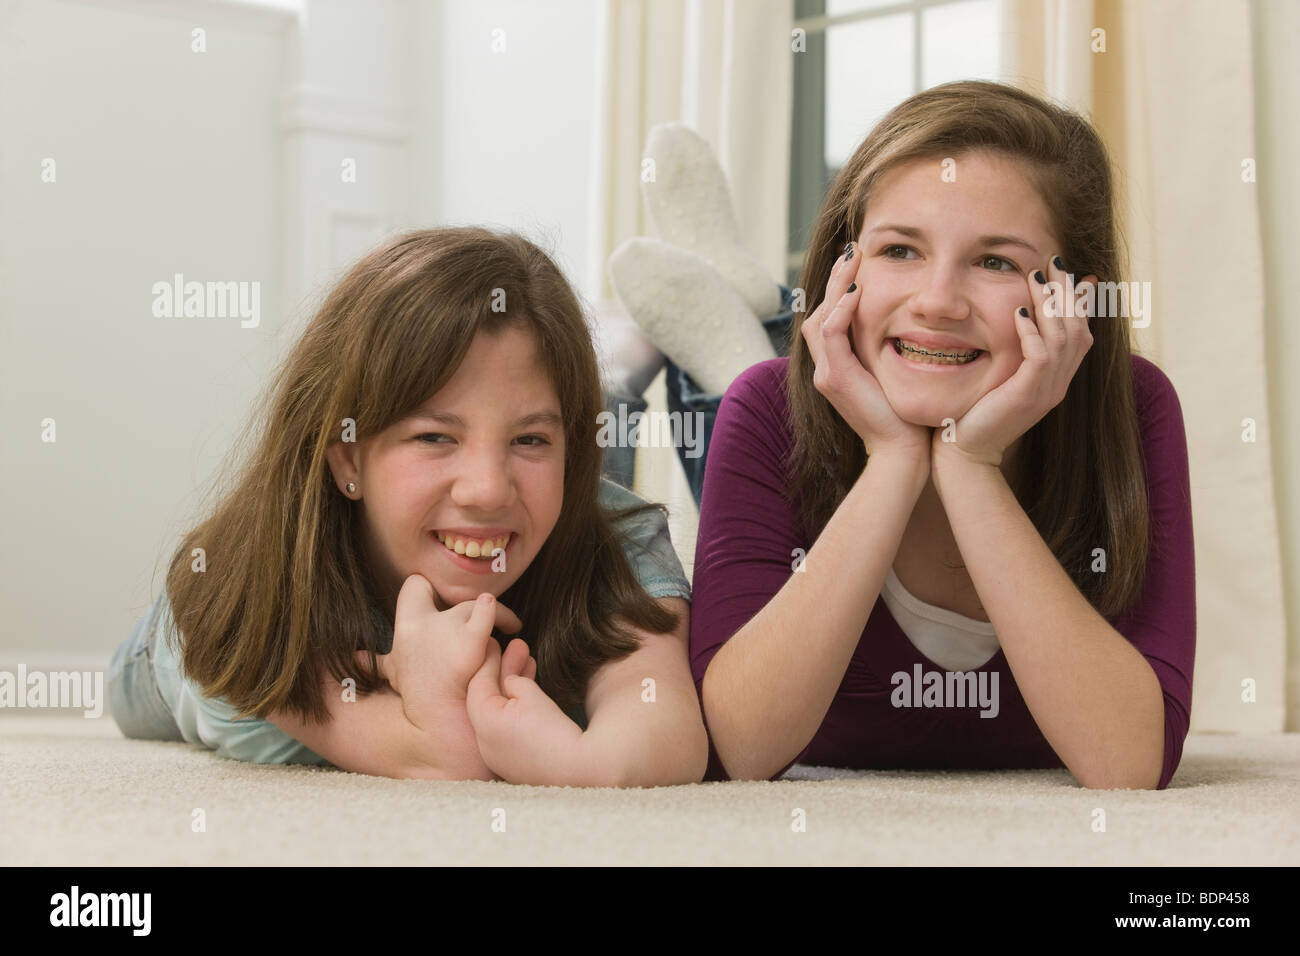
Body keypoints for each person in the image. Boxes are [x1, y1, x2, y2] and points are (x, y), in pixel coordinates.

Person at [689, 80, 1195, 790]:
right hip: (809, 413)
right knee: (712, 397)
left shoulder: (1133, 407)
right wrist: (893, 458)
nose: (936, 301)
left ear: (1076, 296)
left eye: (994, 262)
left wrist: (970, 462)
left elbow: (1129, 763)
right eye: (900, 250)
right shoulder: (766, 409)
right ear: (847, 267)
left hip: (952, 390)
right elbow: (738, 748)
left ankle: (731, 302)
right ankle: (713, 321)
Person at [108, 227, 708, 786]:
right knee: (124, 692)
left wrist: (579, 762)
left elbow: (666, 731)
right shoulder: (256, 607)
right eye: (433, 437)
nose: (486, 488)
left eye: (531, 439)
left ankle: (613, 385)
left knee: (555, 483)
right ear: (347, 460)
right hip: (172, 650)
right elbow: (451, 757)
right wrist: (426, 686)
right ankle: (619, 376)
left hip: (562, 500)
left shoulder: (618, 535)